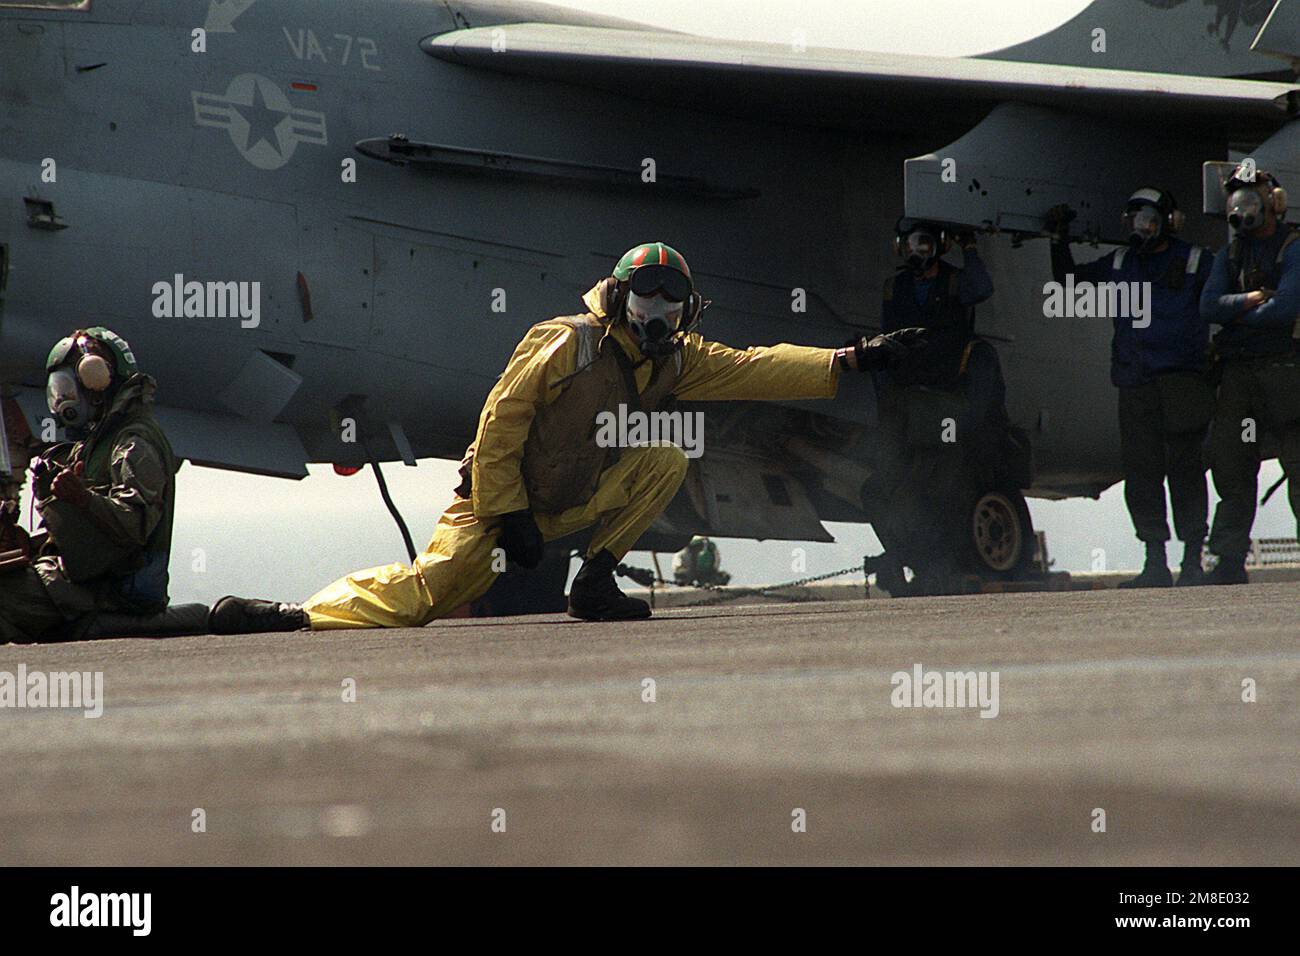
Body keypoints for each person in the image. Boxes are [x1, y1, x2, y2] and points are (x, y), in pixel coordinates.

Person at [209, 242, 930, 632]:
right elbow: (500, 420)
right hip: (503, 502)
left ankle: (593, 581)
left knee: (667, 455)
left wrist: (851, 359)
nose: (657, 310)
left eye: (671, 302)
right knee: (427, 594)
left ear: (687, 312)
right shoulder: (566, 344)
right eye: (645, 296)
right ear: (618, 296)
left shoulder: (677, 358)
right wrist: (510, 511)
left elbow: (754, 367)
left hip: (578, 496)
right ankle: (298, 613)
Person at [1046, 189, 1215, 587]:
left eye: (1151, 219)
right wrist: (1059, 238)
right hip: (1136, 382)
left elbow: (1226, 294)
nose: (1143, 228)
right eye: (1136, 220)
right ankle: (1154, 561)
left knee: (1186, 468)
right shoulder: (1121, 261)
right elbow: (1068, 282)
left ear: (1169, 222)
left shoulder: (1195, 261)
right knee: (1141, 472)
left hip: (1181, 381)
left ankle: (1193, 561)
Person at [0, 328, 180, 642]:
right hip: (83, 580)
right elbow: (88, 534)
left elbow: (136, 525)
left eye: (66, 389)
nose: (61, 401)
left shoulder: (133, 443)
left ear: (94, 383)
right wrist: (34, 544)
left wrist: (82, 498)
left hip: (115, 592)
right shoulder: (99, 441)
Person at [867, 220, 1009, 595]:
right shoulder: (894, 288)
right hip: (904, 401)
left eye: (926, 244)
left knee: (942, 487)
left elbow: (982, 288)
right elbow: (885, 342)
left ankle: (941, 570)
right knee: (882, 487)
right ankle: (916, 562)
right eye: (912, 244)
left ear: (940, 247)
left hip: (943, 400)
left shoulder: (954, 282)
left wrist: (971, 249)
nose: (918, 251)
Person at [1199, 167, 1300, 584]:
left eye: (1252, 199)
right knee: (1236, 465)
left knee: (1299, 465)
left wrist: (1237, 312)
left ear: (1273, 202)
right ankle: (1228, 560)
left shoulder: (1292, 248)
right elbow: (1208, 306)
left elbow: (1287, 308)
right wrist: (1255, 299)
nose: (1244, 209)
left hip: (1286, 383)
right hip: (1243, 391)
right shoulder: (1232, 254)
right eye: (1238, 201)